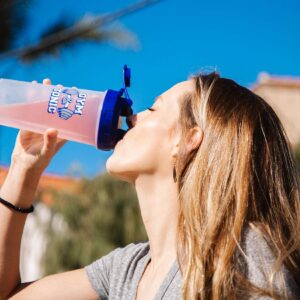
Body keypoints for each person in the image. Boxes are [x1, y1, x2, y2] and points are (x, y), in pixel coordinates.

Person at [0, 73, 299, 300]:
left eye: (153, 109)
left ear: (188, 140)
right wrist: (24, 169)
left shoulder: (240, 254)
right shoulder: (127, 269)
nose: (132, 117)